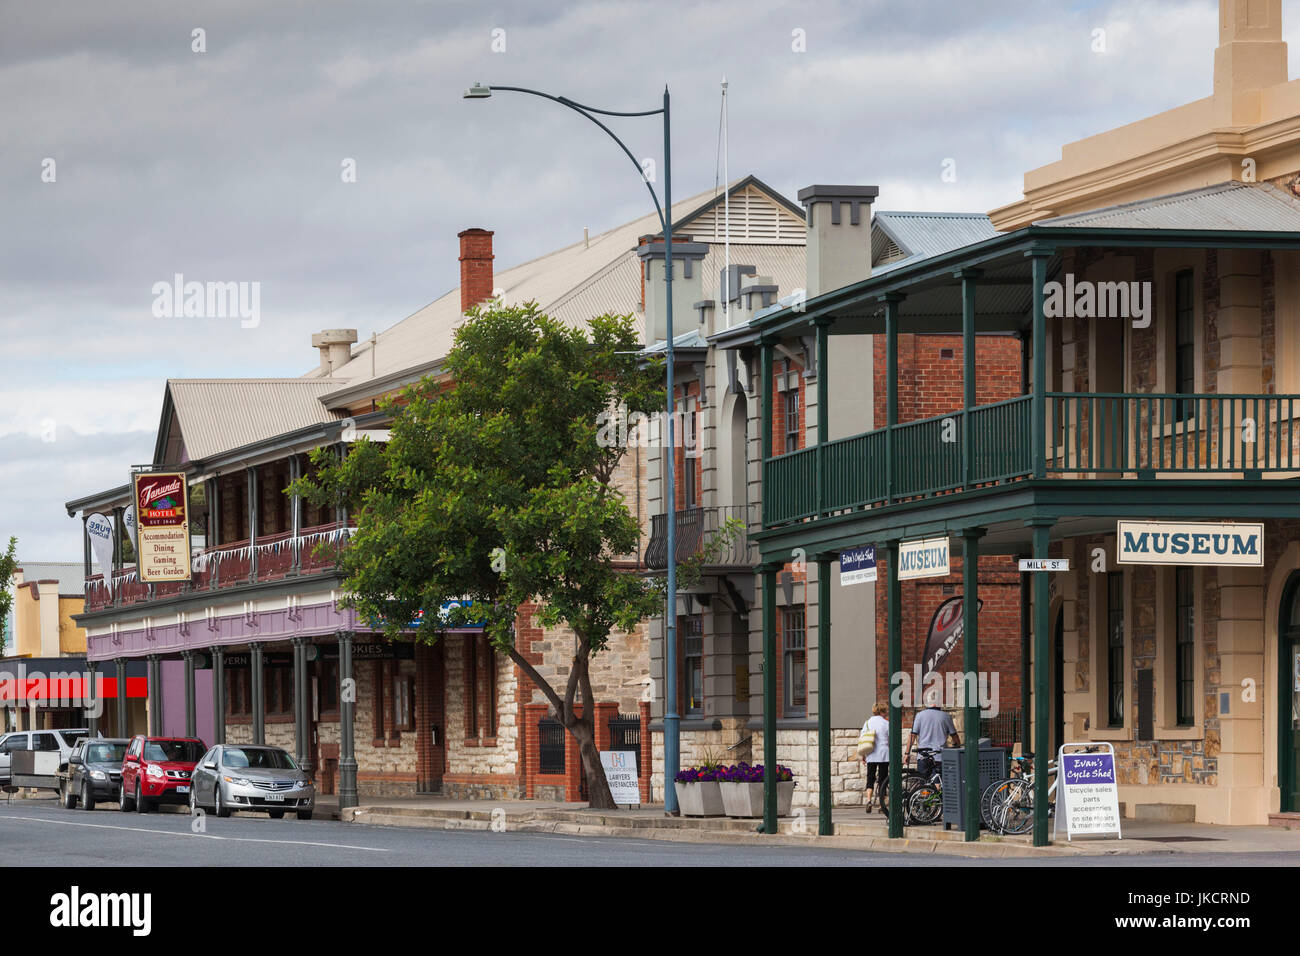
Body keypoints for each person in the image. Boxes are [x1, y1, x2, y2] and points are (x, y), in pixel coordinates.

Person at [904, 704, 959, 771]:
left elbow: (912, 735)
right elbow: (954, 736)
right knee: (938, 780)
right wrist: (958, 749)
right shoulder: (946, 716)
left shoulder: (919, 715)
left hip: (923, 755)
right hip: (940, 756)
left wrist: (907, 754)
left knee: (922, 779)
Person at [860, 702, 889, 813]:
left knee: (870, 778)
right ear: (882, 711)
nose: (887, 713)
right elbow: (890, 740)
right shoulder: (886, 724)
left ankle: (868, 800)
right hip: (884, 755)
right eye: (885, 710)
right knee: (883, 780)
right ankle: (882, 804)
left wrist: (863, 755)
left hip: (871, 754)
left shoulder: (867, 723)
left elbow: (863, 739)